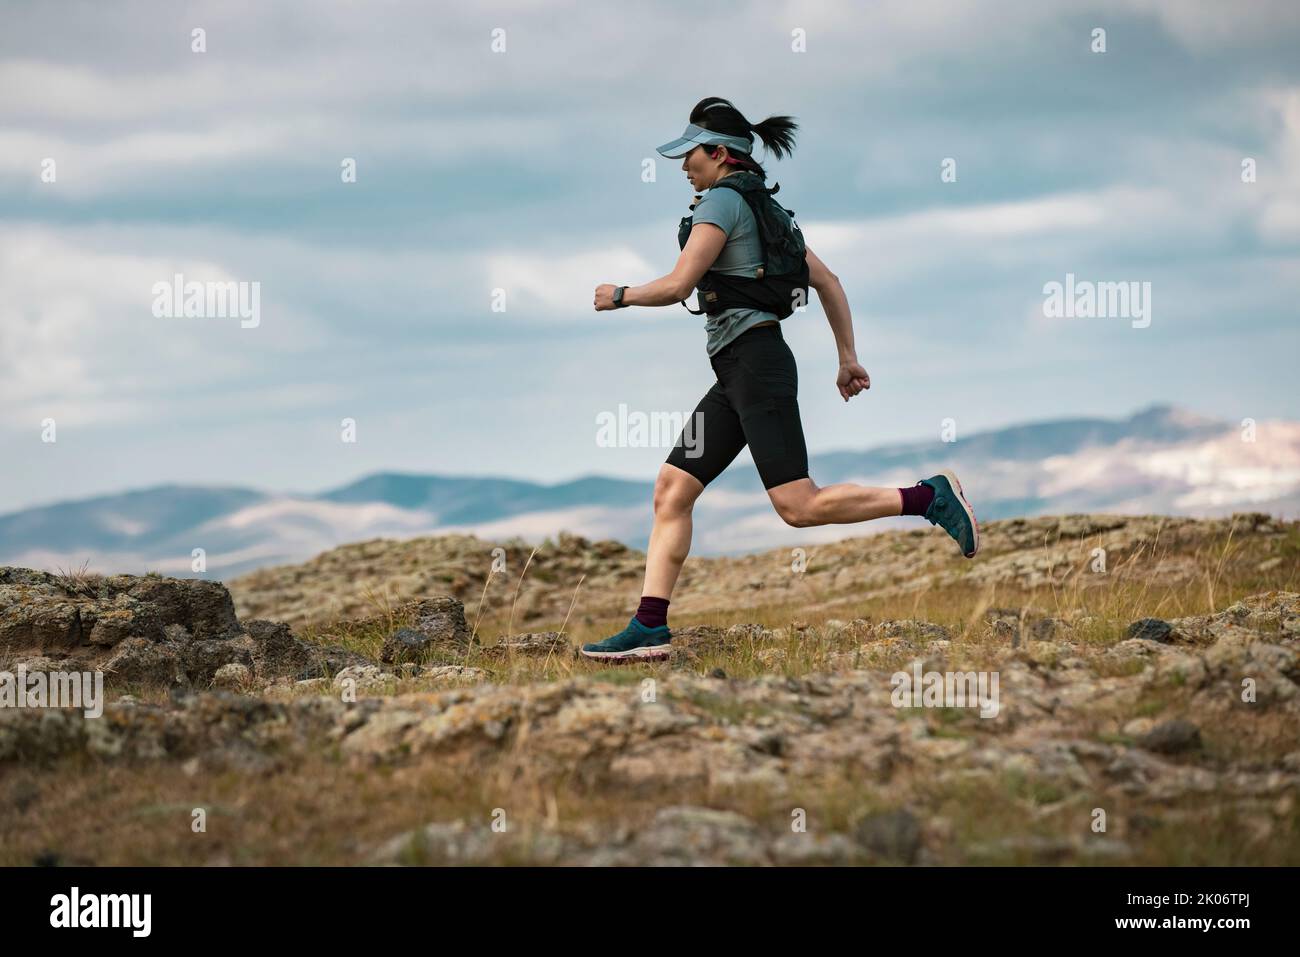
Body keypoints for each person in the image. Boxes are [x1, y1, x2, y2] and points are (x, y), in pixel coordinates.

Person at [583, 97, 977, 662]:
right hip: (740, 369)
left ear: (719, 154)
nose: (682, 164)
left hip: (755, 368)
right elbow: (831, 281)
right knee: (673, 489)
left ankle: (927, 496)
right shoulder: (772, 212)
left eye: (689, 153)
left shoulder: (721, 201)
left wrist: (619, 295)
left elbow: (677, 285)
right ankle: (649, 627)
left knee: (799, 506)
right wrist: (847, 358)